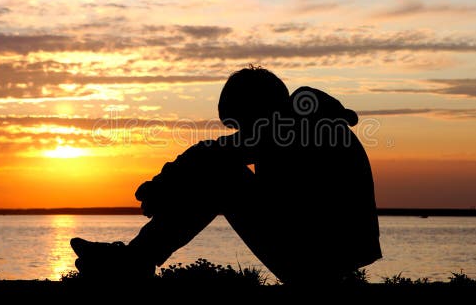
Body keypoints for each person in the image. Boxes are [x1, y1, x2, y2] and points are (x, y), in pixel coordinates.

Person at [71, 66, 381, 284]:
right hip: (318, 251)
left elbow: (213, 153)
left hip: (319, 261)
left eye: (240, 123)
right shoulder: (301, 122)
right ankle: (132, 261)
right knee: (219, 171)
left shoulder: (299, 124)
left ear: (257, 110)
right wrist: (169, 186)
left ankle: (131, 264)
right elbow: (218, 152)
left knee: (222, 175)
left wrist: (163, 186)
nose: (240, 133)